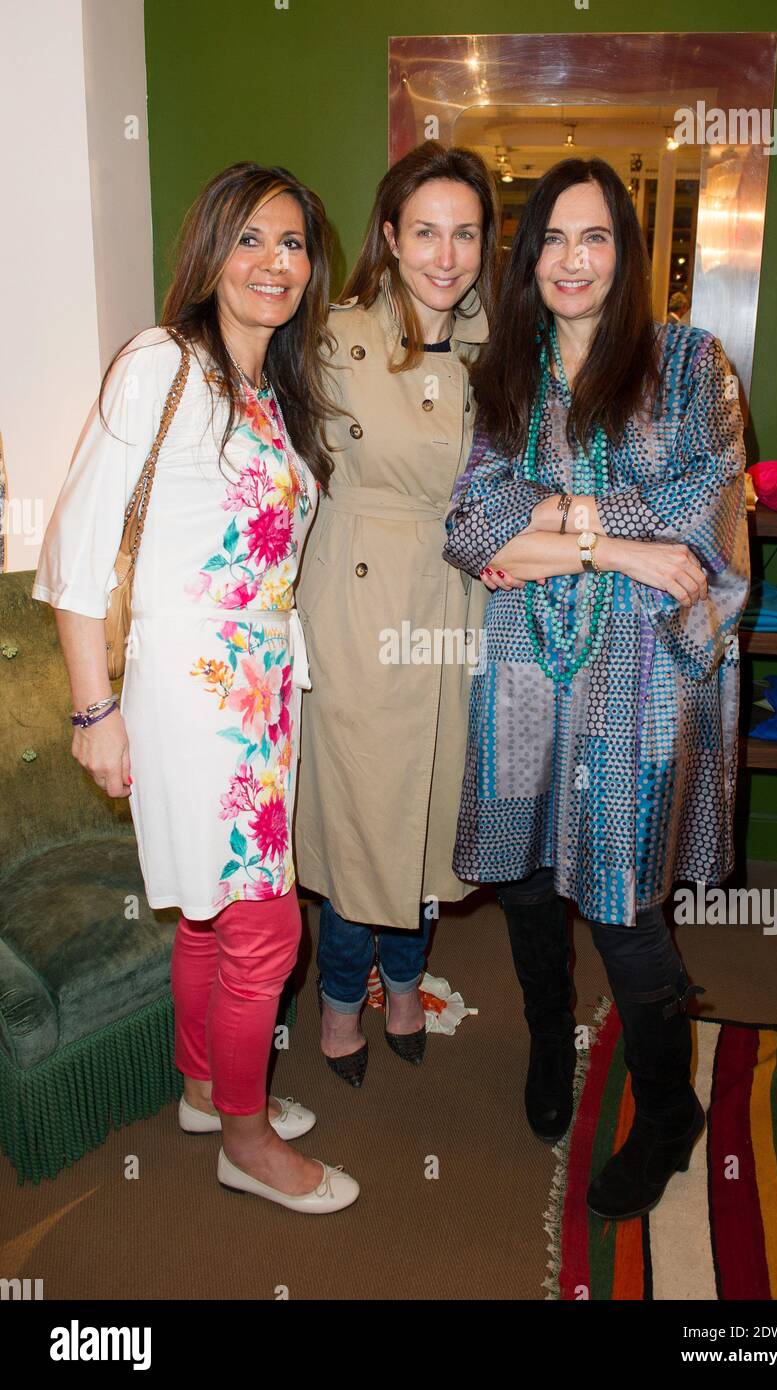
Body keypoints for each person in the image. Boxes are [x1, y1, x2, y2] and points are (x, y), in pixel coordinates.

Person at [32, 162, 359, 1214]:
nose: (275, 262)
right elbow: (76, 545)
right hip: (190, 688)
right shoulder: (159, 362)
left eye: (294, 243)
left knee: (211, 920)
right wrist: (94, 709)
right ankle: (246, 1141)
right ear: (209, 251)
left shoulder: (268, 391)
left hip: (261, 689)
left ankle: (204, 1089)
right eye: (251, 238)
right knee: (267, 925)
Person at [442, 157, 749, 1220]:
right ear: (530, 261)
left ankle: (669, 1113)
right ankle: (545, 1038)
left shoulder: (689, 363)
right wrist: (607, 543)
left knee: (622, 909)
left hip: (638, 678)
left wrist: (553, 524)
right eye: (553, 241)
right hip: (526, 667)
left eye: (596, 238)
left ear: (624, 251)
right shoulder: (505, 378)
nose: (572, 260)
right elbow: (470, 530)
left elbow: (697, 532)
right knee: (526, 881)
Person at [294, 142, 498, 1084]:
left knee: (429, 810)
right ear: (389, 235)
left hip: (458, 598)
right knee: (363, 812)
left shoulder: (504, 346)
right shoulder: (330, 339)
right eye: (425, 232)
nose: (445, 255)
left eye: (464, 232)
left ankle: (407, 983)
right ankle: (340, 1002)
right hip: (358, 601)